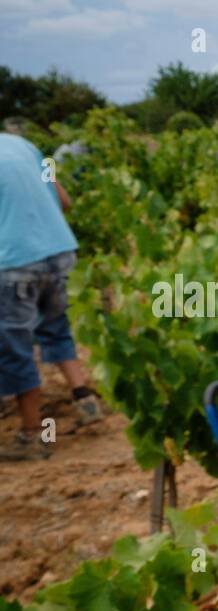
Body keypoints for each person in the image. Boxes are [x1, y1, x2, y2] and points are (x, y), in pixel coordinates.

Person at [0, 131, 103, 460]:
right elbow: (64, 201)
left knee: (13, 345)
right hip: (59, 249)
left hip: (15, 261)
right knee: (54, 324)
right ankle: (84, 398)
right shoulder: (26, 146)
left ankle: (34, 434)